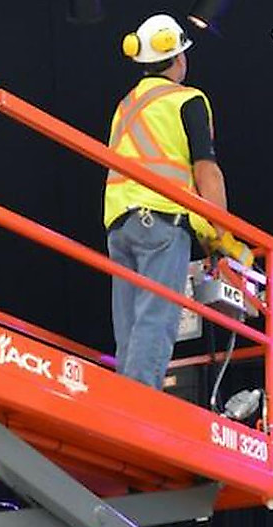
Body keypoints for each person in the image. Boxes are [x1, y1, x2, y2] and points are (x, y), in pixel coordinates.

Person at [103, 13, 248, 392]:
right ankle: (140, 402)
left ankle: (124, 397)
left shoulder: (125, 106)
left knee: (129, 324)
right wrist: (223, 234)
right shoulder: (187, 100)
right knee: (157, 315)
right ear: (179, 58)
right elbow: (207, 172)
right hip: (161, 219)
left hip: (118, 223)